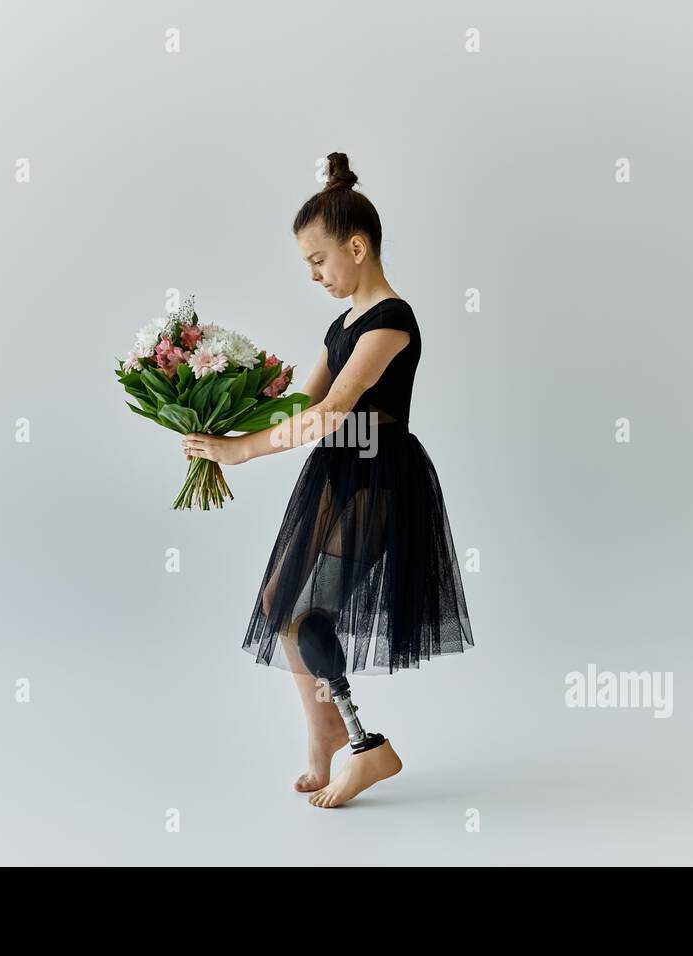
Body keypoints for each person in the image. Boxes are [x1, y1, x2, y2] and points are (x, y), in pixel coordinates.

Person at [180, 151, 474, 808]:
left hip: (378, 474)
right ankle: (325, 737)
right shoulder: (340, 324)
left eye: (319, 260)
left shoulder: (391, 321)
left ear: (358, 246)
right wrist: (219, 419)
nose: (313, 274)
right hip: (338, 470)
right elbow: (299, 404)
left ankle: (369, 748)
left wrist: (244, 454)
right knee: (280, 607)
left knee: (308, 612)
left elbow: (335, 409)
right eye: (307, 265)